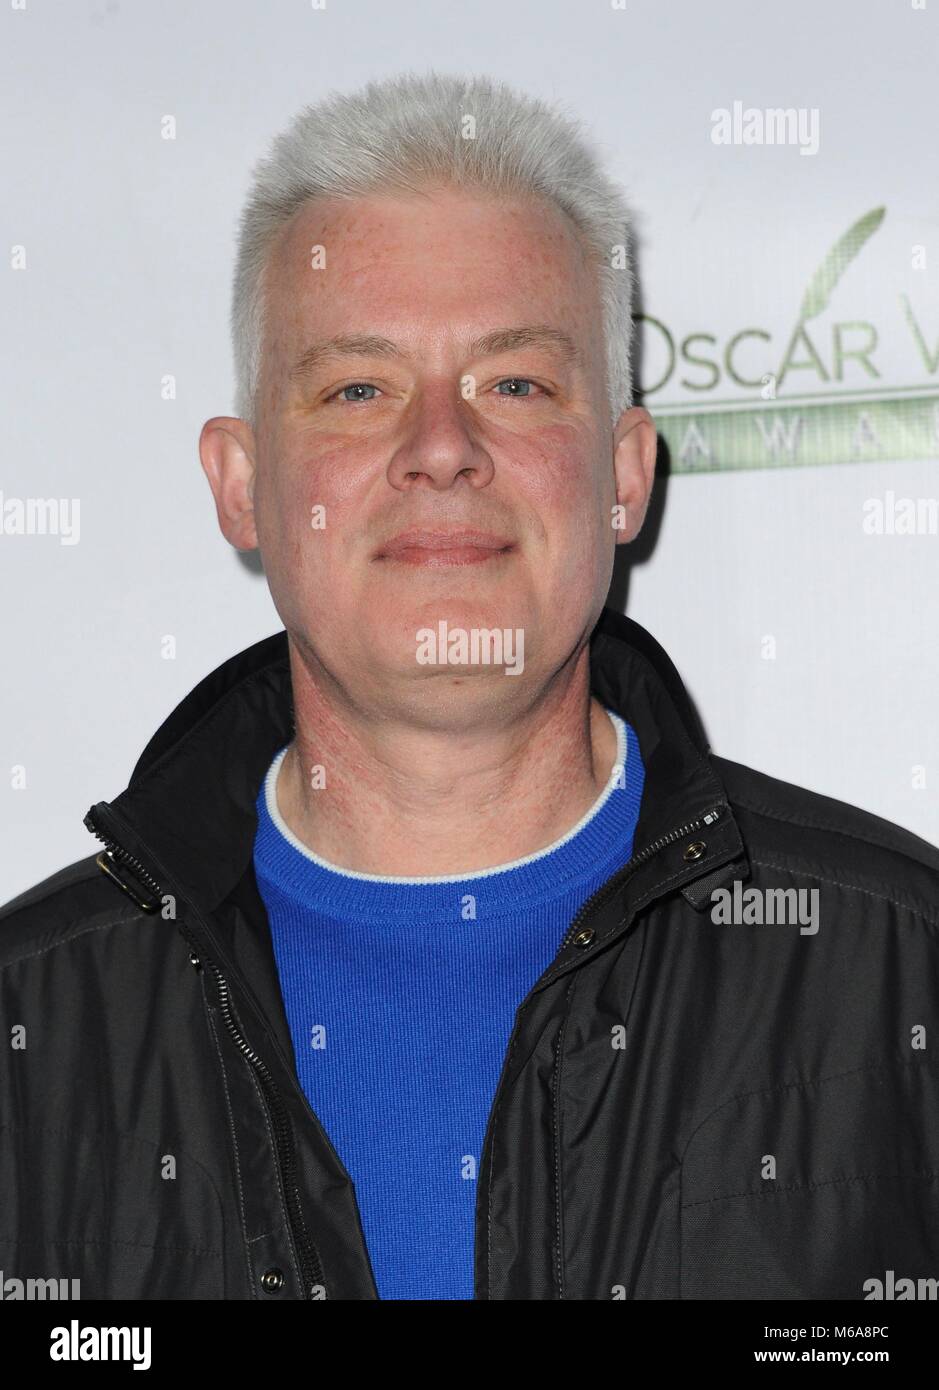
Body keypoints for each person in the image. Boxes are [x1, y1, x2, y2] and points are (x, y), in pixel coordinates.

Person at [2, 71, 937, 1302]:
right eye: (357, 389)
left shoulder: (899, 971)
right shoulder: (35, 1027)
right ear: (240, 484)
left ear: (623, 473)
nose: (442, 446)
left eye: (515, 384)